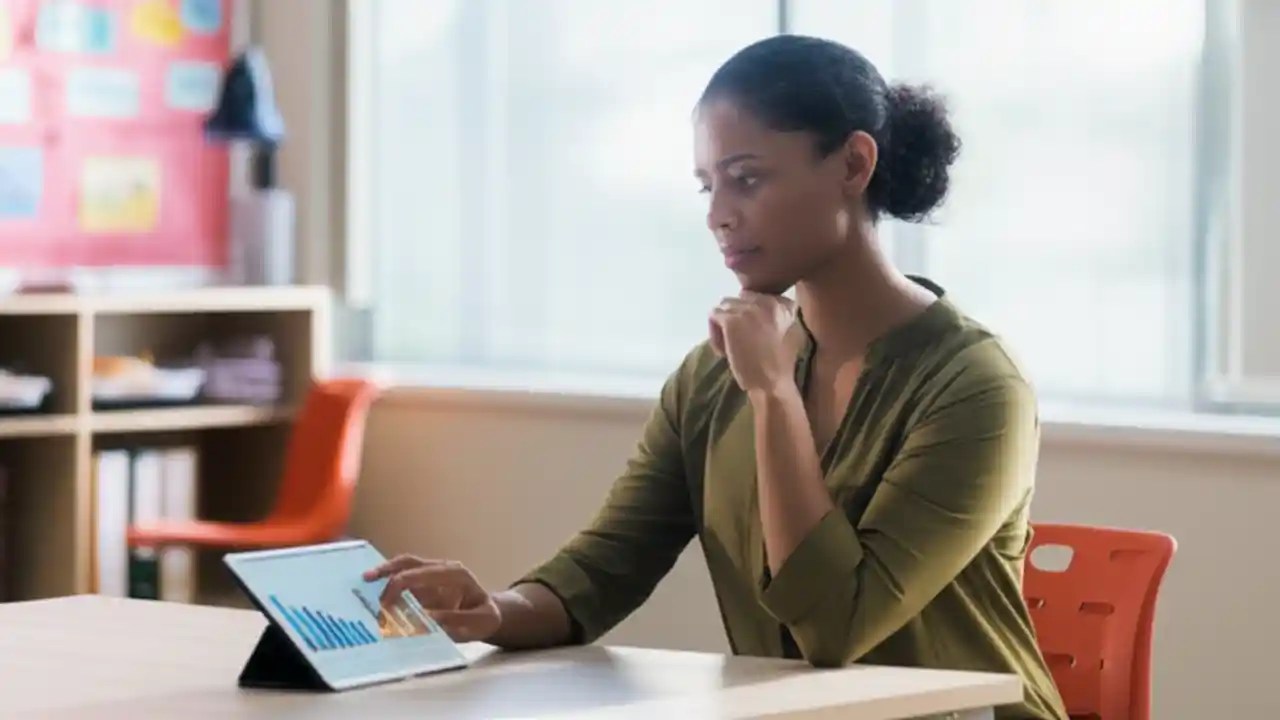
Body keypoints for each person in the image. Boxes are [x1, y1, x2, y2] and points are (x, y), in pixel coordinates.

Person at [364, 34, 1068, 720]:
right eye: (708, 184)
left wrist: (773, 394)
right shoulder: (712, 376)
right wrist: (496, 610)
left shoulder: (977, 387)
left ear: (853, 164)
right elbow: (609, 565)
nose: (717, 215)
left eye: (748, 178)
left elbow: (836, 627)